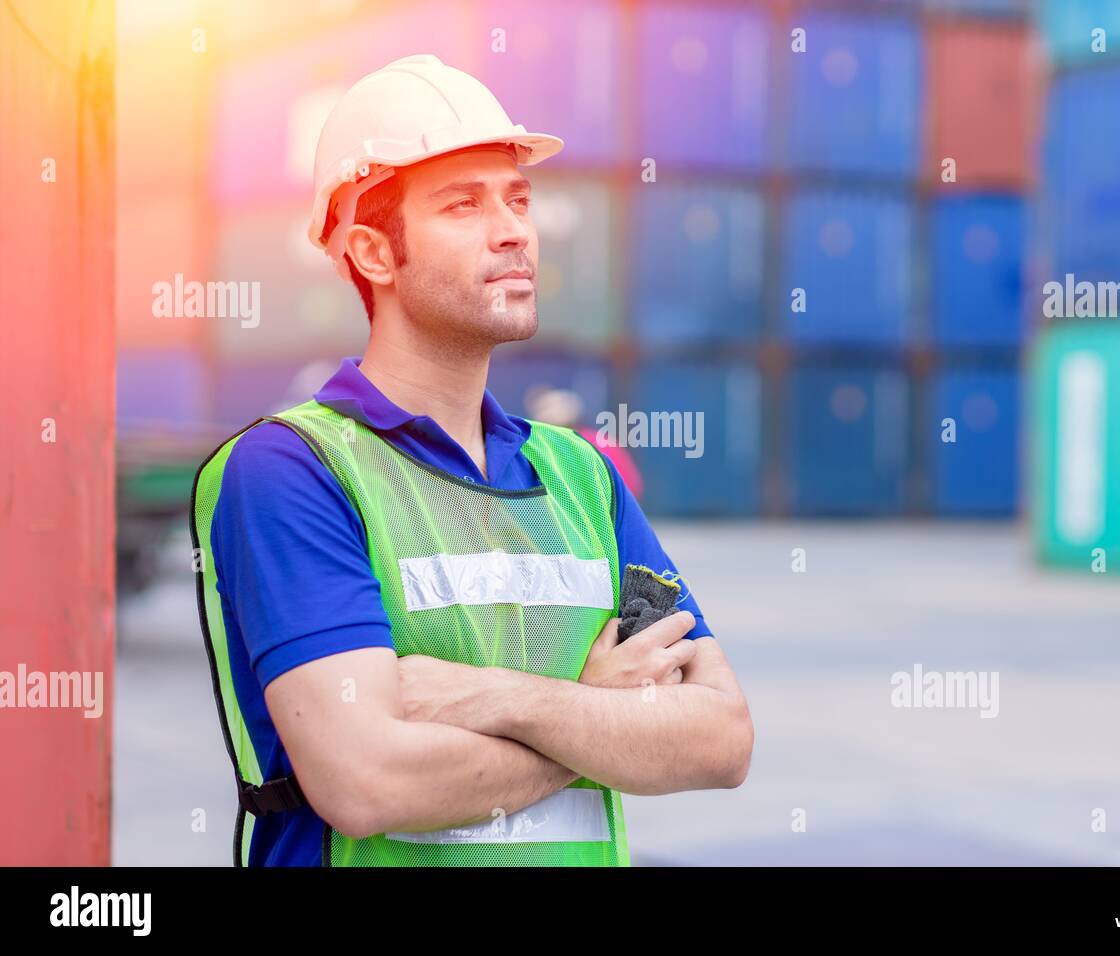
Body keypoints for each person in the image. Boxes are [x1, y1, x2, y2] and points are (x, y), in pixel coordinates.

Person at [190, 54, 753, 867]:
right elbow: (368, 783)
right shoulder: (292, 470)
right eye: (464, 205)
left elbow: (721, 739)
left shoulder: (579, 476)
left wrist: (501, 699)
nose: (514, 229)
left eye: (518, 199)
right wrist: (601, 717)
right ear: (374, 255)